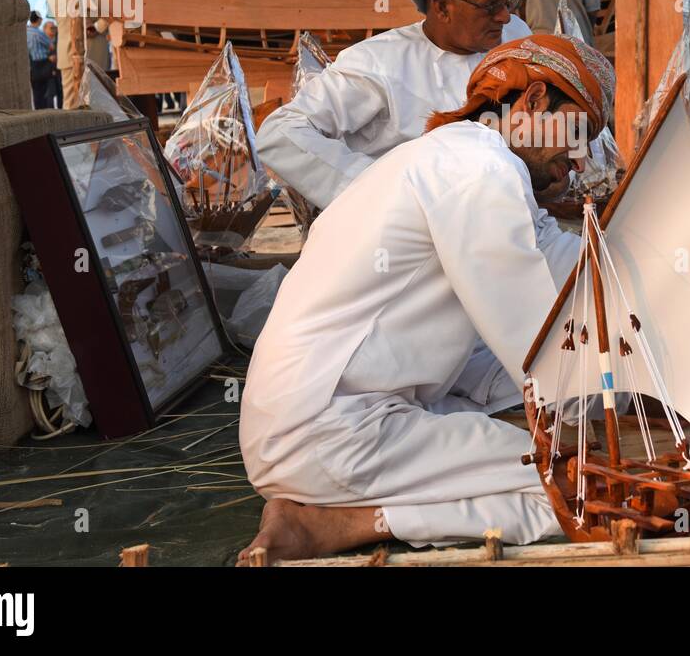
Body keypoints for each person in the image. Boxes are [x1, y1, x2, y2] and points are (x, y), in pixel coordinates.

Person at [238, 36, 610, 558]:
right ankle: (346, 525)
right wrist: (644, 390)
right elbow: (537, 355)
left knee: (543, 402)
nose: (580, 158)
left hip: (311, 416)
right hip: (329, 434)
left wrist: (670, 314)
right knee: (590, 487)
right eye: (580, 132)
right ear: (533, 102)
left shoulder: (458, 155)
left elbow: (572, 263)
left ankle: (337, 503)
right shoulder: (478, 171)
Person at [256, 0, 534, 212]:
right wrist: (383, 188)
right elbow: (281, 132)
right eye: (490, 6)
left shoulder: (515, 35)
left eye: (508, 1)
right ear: (442, 7)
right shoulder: (378, 62)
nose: (504, 16)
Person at [26, 12, 55, 110]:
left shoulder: (26, 31)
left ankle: (37, 111)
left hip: (31, 64)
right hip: (42, 63)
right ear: (38, 20)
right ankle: (45, 111)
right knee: (45, 91)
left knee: (35, 91)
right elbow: (51, 45)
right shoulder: (38, 33)